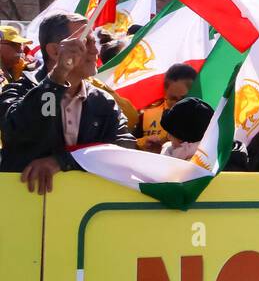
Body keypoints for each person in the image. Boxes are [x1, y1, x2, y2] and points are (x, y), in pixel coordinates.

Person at [0, 12, 135, 192]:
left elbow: (123, 148)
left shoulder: (104, 101)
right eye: (84, 43)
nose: (95, 50)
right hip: (25, 206)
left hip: (84, 211)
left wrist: (63, 161)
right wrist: (56, 78)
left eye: (93, 41)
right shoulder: (18, 90)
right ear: (55, 51)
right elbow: (19, 132)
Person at [136, 63, 197, 152]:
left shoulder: (202, 118)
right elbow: (127, 143)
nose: (178, 104)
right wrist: (144, 143)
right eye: (173, 99)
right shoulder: (146, 114)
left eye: (183, 99)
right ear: (165, 90)